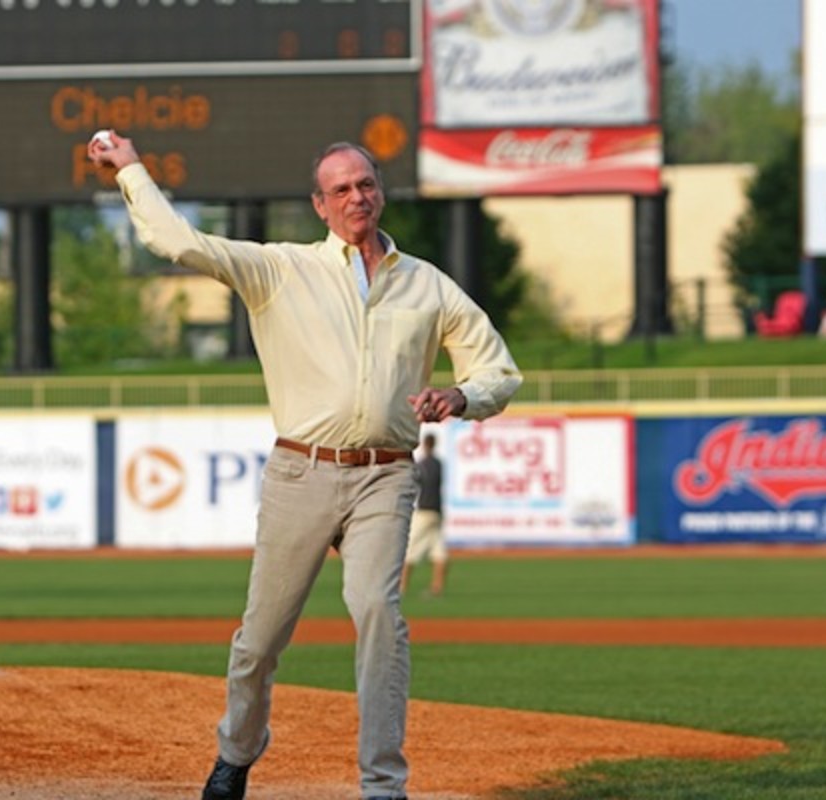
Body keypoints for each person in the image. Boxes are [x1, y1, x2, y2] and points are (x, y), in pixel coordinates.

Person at [88, 131, 522, 800]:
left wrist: (463, 394)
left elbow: (497, 367)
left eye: (366, 184)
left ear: (381, 193)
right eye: (341, 189)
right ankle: (235, 753)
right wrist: (132, 171)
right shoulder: (281, 269)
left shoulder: (427, 284)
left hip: (386, 472)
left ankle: (383, 786)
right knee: (260, 640)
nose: (357, 196)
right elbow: (180, 242)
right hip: (302, 472)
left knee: (377, 608)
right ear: (320, 206)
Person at [401, 433, 447, 597]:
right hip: (437, 511)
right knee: (438, 551)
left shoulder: (421, 465)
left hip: (424, 510)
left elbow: (413, 484)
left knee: (409, 550)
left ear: (424, 444)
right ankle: (436, 588)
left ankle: (402, 587)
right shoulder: (439, 464)